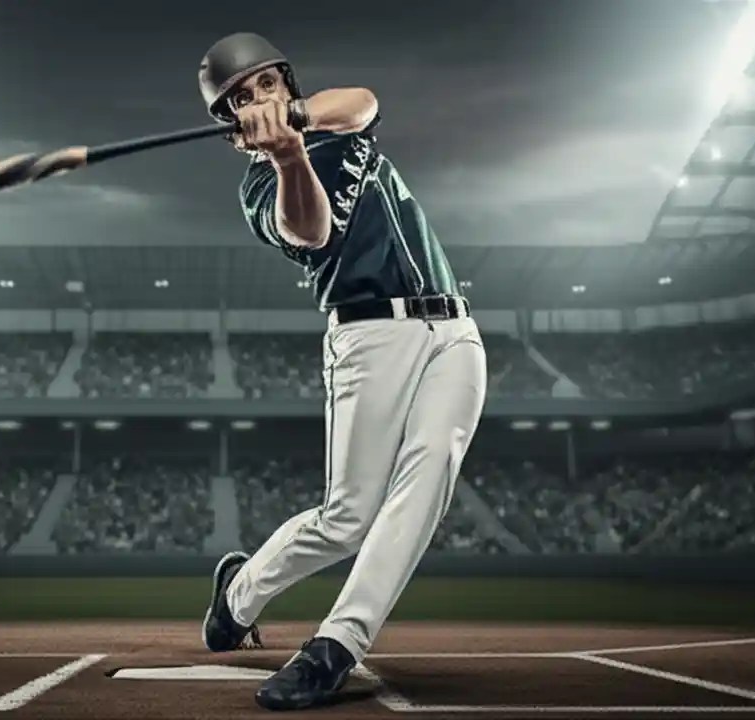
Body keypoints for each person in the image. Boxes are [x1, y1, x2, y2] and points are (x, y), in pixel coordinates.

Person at [197, 33, 489, 711]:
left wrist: (295, 122)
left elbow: (362, 102)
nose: (259, 97)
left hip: (455, 332)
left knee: (426, 484)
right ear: (231, 124)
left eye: (267, 82)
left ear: (286, 83)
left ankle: (336, 646)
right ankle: (239, 595)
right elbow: (312, 233)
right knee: (346, 520)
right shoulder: (259, 185)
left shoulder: (332, 115)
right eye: (241, 97)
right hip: (368, 337)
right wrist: (287, 154)